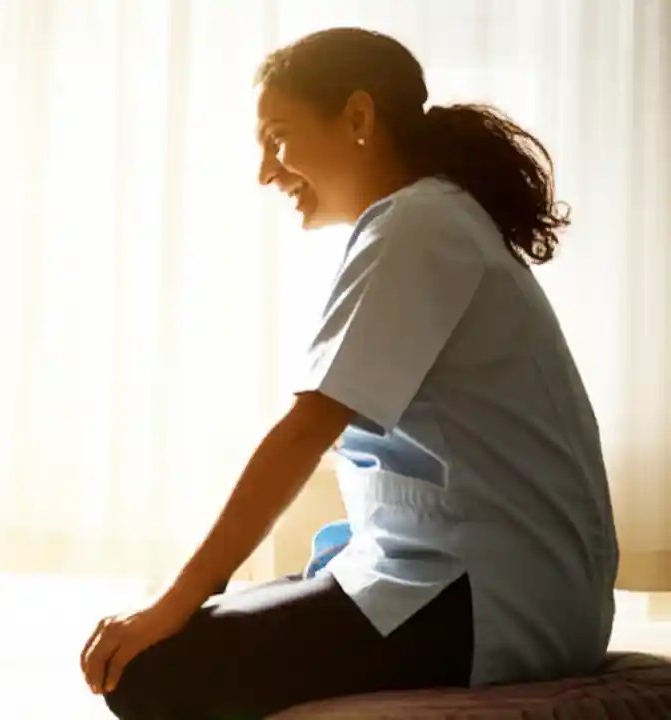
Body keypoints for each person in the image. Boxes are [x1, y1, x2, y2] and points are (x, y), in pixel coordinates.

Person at [81, 27, 618, 719]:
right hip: (467, 578)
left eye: (277, 137)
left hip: (492, 599)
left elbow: (307, 428)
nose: (266, 171)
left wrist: (174, 602)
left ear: (359, 118)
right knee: (179, 641)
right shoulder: (428, 217)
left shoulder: (419, 224)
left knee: (147, 667)